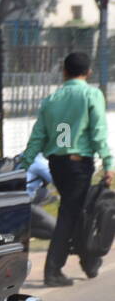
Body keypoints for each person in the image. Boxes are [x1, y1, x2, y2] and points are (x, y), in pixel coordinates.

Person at [19, 51, 113, 286]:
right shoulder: (91, 94)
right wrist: (109, 163)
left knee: (76, 211)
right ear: (89, 72)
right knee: (71, 215)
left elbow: (38, 135)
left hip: (57, 164)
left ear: (64, 72)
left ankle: (89, 262)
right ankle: (54, 269)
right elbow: (98, 132)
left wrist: (23, 164)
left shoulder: (52, 99)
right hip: (79, 164)